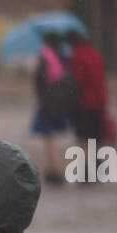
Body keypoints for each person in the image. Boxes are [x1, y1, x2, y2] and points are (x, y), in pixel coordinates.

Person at [30, 31, 77, 184]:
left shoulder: (45, 57)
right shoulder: (61, 57)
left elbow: (39, 81)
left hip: (48, 103)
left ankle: (54, 168)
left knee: (48, 136)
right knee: (52, 136)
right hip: (59, 101)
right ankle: (55, 167)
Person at [65, 30, 117, 152]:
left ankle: (87, 167)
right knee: (96, 137)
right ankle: (98, 165)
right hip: (99, 102)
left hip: (83, 104)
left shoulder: (77, 57)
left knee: (83, 138)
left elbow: (78, 81)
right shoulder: (95, 54)